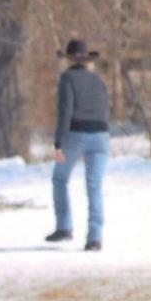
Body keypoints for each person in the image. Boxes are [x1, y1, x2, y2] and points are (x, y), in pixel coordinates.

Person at [46, 38, 109, 251]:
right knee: (94, 187)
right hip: (101, 135)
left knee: (60, 178)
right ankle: (95, 238)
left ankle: (64, 227)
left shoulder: (67, 78)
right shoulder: (99, 80)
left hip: (76, 134)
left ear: (68, 59)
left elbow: (66, 111)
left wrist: (59, 143)